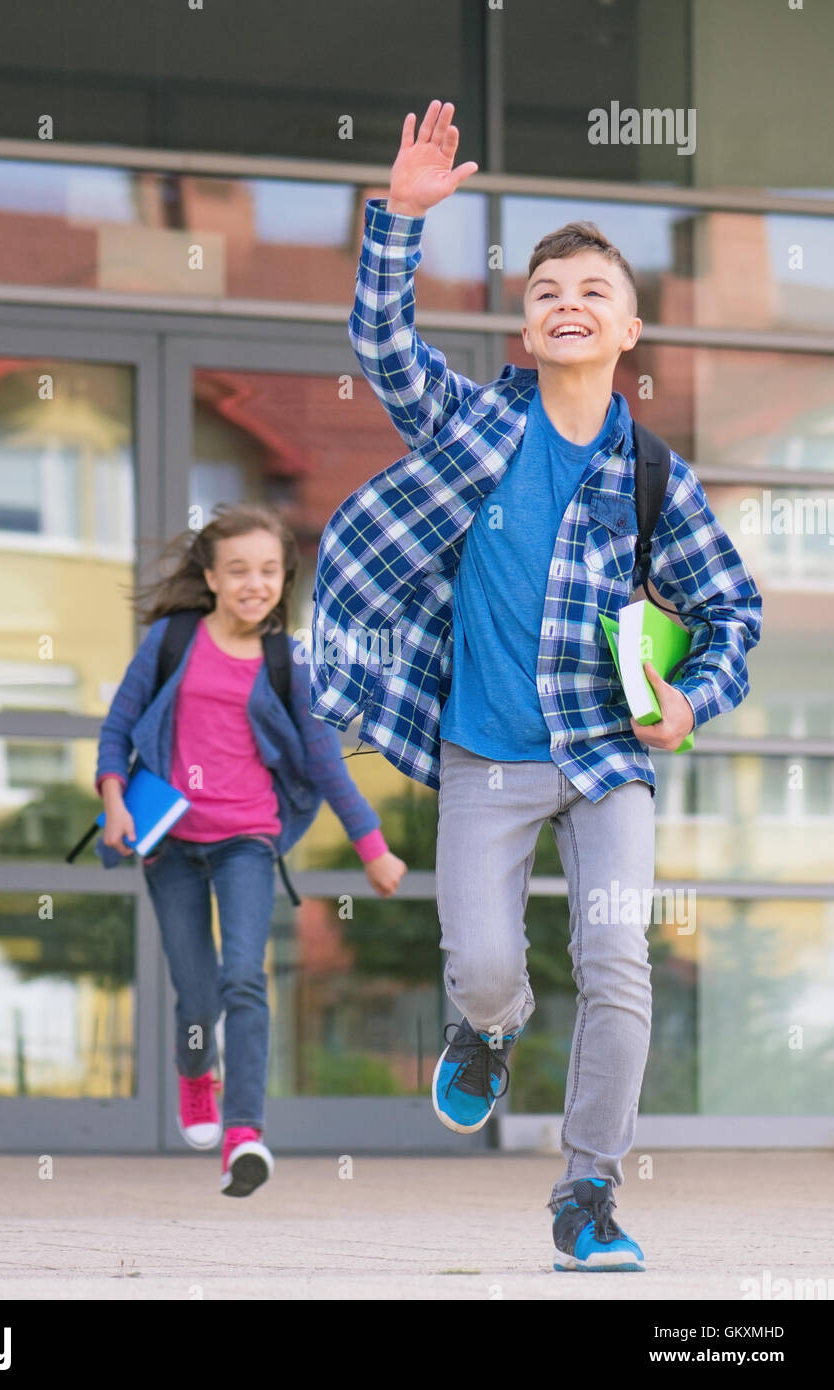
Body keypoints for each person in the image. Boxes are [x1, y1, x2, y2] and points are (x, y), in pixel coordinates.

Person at [310, 101, 762, 1269]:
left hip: (605, 761)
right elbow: (383, 351)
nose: (567, 301)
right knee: (487, 963)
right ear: (525, 329)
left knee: (615, 961)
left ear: (629, 330)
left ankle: (587, 1192)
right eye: (545, 290)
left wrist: (690, 701)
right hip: (487, 756)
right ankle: (486, 1029)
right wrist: (397, 224)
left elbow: (733, 615)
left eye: (591, 292)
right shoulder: (472, 426)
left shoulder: (655, 472)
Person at [95, 502, 407, 1196]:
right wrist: (114, 799)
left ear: (283, 579)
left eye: (268, 571)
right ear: (210, 577)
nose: (254, 583)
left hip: (247, 843)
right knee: (198, 993)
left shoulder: (288, 661)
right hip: (169, 844)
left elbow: (326, 762)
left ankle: (244, 1133)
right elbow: (117, 729)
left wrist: (372, 845)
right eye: (238, 571)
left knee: (245, 978)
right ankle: (195, 1074)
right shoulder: (173, 641)